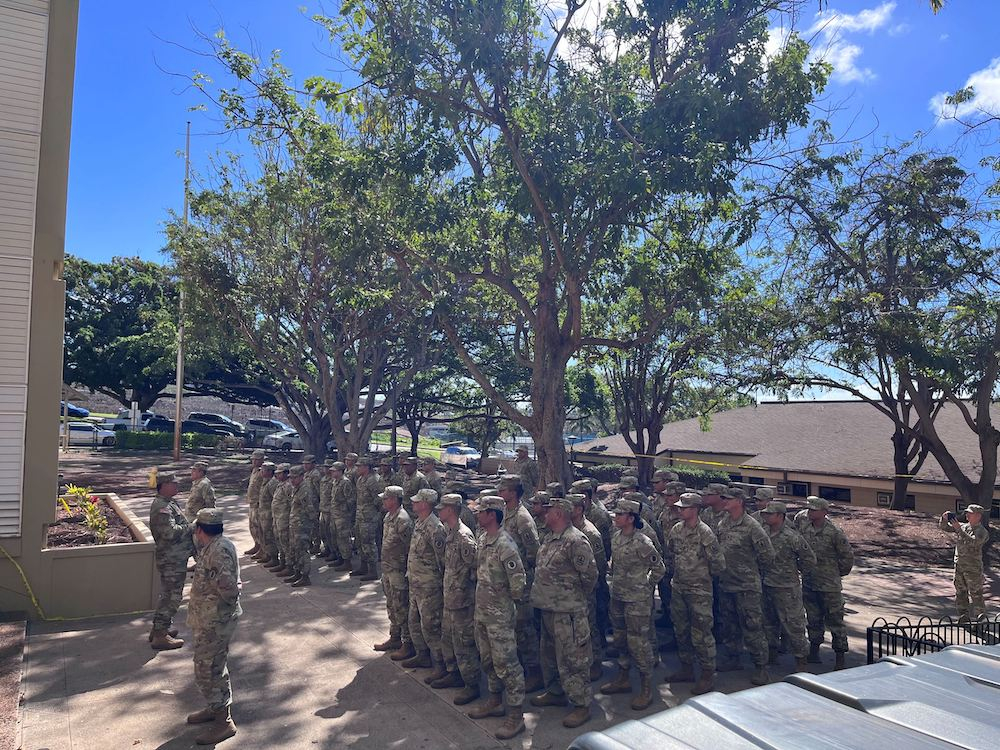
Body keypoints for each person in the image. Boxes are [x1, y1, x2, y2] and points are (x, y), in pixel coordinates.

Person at [530, 496, 598, 729]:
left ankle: (582, 705)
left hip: (568, 613)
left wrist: (573, 599)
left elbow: (590, 577)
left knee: (573, 660)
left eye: (548, 510)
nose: (544, 514)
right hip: (548, 609)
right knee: (549, 656)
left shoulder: (576, 541)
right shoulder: (550, 539)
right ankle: (555, 692)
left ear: (558, 513)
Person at [467, 495, 527, 741]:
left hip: (499, 617)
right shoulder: (484, 539)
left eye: (481, 512)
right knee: (488, 660)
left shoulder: (505, 544)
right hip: (483, 612)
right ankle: (494, 701)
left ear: (492, 514)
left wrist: (504, 605)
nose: (477, 515)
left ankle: (516, 715)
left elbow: (518, 583)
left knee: (508, 665)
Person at [600, 497, 666, 710]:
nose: (615, 518)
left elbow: (659, 569)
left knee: (639, 643)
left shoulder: (642, 542)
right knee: (620, 639)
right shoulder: (617, 537)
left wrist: (645, 587)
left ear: (630, 518)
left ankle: (646, 687)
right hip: (618, 596)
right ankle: (623, 677)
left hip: (637, 600)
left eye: (619, 515)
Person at [185, 508, 242, 745]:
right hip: (209, 618)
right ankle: (214, 707)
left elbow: (229, 589)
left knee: (209, 669)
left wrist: (219, 606)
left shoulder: (217, 551)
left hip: (215, 621)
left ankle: (223, 721)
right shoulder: (217, 545)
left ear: (199, 530)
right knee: (210, 666)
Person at [664, 492, 726, 695]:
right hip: (679, 588)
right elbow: (671, 554)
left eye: (684, 507)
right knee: (681, 630)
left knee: (701, 633)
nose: (680, 510)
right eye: (680, 507)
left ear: (695, 509)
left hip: (699, 591)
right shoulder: (676, 530)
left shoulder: (705, 533)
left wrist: (702, 578)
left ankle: (708, 674)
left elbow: (718, 564)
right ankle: (687, 668)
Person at [716, 487, 774, 686]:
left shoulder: (752, 526)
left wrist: (752, 572)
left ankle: (761, 667)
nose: (724, 501)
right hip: (727, 584)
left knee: (753, 627)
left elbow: (767, 555)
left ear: (739, 501)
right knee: (730, 626)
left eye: (728, 499)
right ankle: (734, 659)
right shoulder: (723, 523)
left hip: (746, 586)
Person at [795, 496, 854, 669]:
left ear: (824, 512)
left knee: (835, 620)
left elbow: (846, 557)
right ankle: (814, 650)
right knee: (813, 618)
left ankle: (840, 656)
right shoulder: (802, 522)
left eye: (814, 510)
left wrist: (835, 574)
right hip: (809, 581)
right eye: (809, 509)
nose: (810, 512)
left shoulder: (834, 532)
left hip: (829, 584)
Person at [433, 493, 482, 704]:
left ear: (451, 510)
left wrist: (465, 590)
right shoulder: (449, 532)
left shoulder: (464, 536)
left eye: (442, 508)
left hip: (462, 601)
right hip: (450, 597)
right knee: (448, 639)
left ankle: (471, 685)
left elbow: (475, 567)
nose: (439, 511)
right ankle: (454, 674)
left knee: (464, 644)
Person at [498, 476, 543, 692]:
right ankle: (523, 666)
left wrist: (524, 573)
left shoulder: (523, 518)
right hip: (507, 579)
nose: (500, 491)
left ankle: (535, 671)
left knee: (525, 628)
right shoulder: (506, 512)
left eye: (504, 488)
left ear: (514, 492)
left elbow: (534, 551)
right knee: (515, 627)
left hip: (522, 579)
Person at [759, 500, 815, 669]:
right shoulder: (763, 533)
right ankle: (772, 654)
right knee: (769, 623)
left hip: (787, 588)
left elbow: (809, 559)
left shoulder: (792, 536)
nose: (766, 517)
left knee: (794, 625)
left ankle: (801, 661)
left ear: (780, 516)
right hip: (767, 584)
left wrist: (795, 572)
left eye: (770, 514)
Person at [403, 488, 448, 681]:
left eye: (416, 501)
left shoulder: (435, 528)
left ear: (425, 504)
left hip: (429, 586)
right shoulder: (419, 523)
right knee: (414, 622)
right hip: (415, 583)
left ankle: (440, 663)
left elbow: (442, 561)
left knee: (431, 626)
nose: (412, 504)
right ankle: (422, 655)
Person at [149, 470, 194, 650]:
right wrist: (190, 527)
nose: (177, 486)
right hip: (171, 560)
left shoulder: (169, 503)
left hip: (175, 558)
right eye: (173, 483)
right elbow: (169, 532)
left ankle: (160, 629)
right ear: (164, 486)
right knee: (172, 598)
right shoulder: (162, 507)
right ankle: (160, 636)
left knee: (167, 596)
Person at [569, 492, 607, 681]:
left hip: (588, 588)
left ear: (578, 509)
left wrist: (591, 588)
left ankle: (596, 664)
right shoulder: (569, 530)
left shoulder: (590, 532)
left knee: (590, 627)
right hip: (573, 590)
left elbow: (599, 564)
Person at [376, 486, 414, 660]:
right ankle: (395, 637)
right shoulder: (389, 517)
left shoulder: (403, 520)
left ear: (394, 500)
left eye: (386, 498)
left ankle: (408, 643)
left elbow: (409, 548)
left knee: (402, 607)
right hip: (388, 568)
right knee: (391, 605)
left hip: (398, 570)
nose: (383, 501)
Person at [940, 504, 990, 621]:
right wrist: (944, 518)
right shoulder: (963, 527)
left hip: (973, 567)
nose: (967, 515)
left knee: (976, 593)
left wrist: (959, 529)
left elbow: (974, 542)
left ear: (978, 516)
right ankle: (964, 615)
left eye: (970, 513)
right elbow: (945, 528)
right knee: (960, 591)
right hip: (960, 565)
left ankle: (980, 617)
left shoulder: (982, 531)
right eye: (967, 512)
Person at [353, 456, 381, 581]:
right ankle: (363, 566)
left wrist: (375, 515)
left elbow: (378, 500)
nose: (357, 468)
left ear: (366, 467)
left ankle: (373, 570)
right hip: (360, 516)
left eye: (359, 466)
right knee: (360, 542)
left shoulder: (373, 480)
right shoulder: (360, 479)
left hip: (369, 517)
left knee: (369, 543)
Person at [286, 465, 313, 586]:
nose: (292, 480)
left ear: (302, 476)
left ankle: (305, 576)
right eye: (291, 477)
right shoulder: (296, 488)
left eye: (295, 477)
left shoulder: (305, 489)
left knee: (302, 550)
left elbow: (309, 509)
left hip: (302, 525)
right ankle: (297, 572)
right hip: (295, 524)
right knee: (295, 549)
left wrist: (309, 524)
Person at [329, 461, 357, 572]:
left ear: (340, 471)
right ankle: (340, 557)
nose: (332, 472)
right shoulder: (335, 482)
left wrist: (346, 513)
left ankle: (347, 562)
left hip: (342, 516)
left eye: (334, 471)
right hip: (335, 514)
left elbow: (351, 500)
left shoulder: (345, 482)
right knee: (336, 537)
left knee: (343, 538)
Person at [269, 464, 293, 577]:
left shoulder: (288, 486)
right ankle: (282, 563)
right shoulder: (280, 485)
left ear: (286, 473)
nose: (277, 475)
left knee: (286, 543)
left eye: (279, 473)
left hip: (284, 519)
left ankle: (290, 566)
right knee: (279, 541)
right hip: (277, 518)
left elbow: (291, 503)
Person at [257, 462, 280, 569]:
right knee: (264, 536)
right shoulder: (265, 482)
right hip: (263, 514)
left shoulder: (273, 483)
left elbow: (275, 500)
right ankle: (268, 554)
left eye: (263, 470)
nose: (261, 472)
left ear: (270, 472)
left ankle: (274, 558)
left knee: (270, 536)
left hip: (269, 515)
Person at [244, 449, 266, 558]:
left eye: (256, 460)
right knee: (252, 526)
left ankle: (263, 548)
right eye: (253, 459)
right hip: (252, 503)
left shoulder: (264, 471)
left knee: (259, 527)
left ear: (262, 460)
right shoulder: (254, 470)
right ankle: (256, 545)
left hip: (258, 504)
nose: (254, 461)